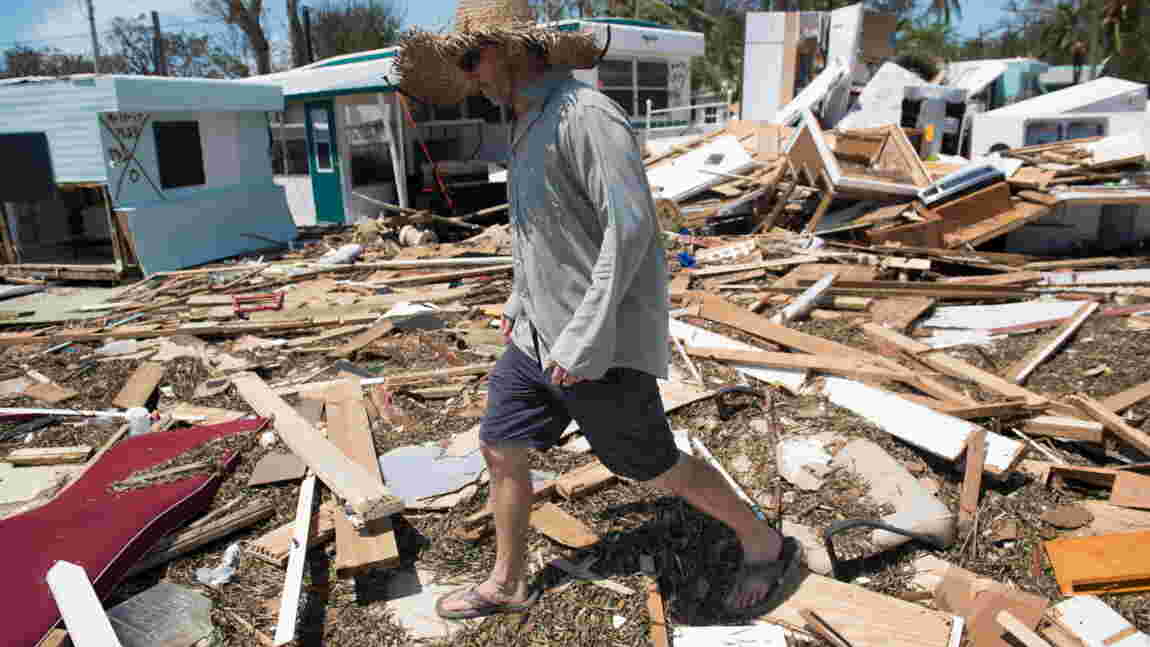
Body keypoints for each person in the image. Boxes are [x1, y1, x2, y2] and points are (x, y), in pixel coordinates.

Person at [394, 0, 802, 621]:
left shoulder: (587, 118)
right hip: (537, 337)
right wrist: (518, 300)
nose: (471, 76)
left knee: (653, 466)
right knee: (502, 445)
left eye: (473, 59)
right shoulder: (525, 124)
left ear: (508, 52)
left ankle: (764, 543)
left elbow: (631, 232)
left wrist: (585, 337)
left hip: (594, 342)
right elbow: (545, 234)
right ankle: (506, 583)